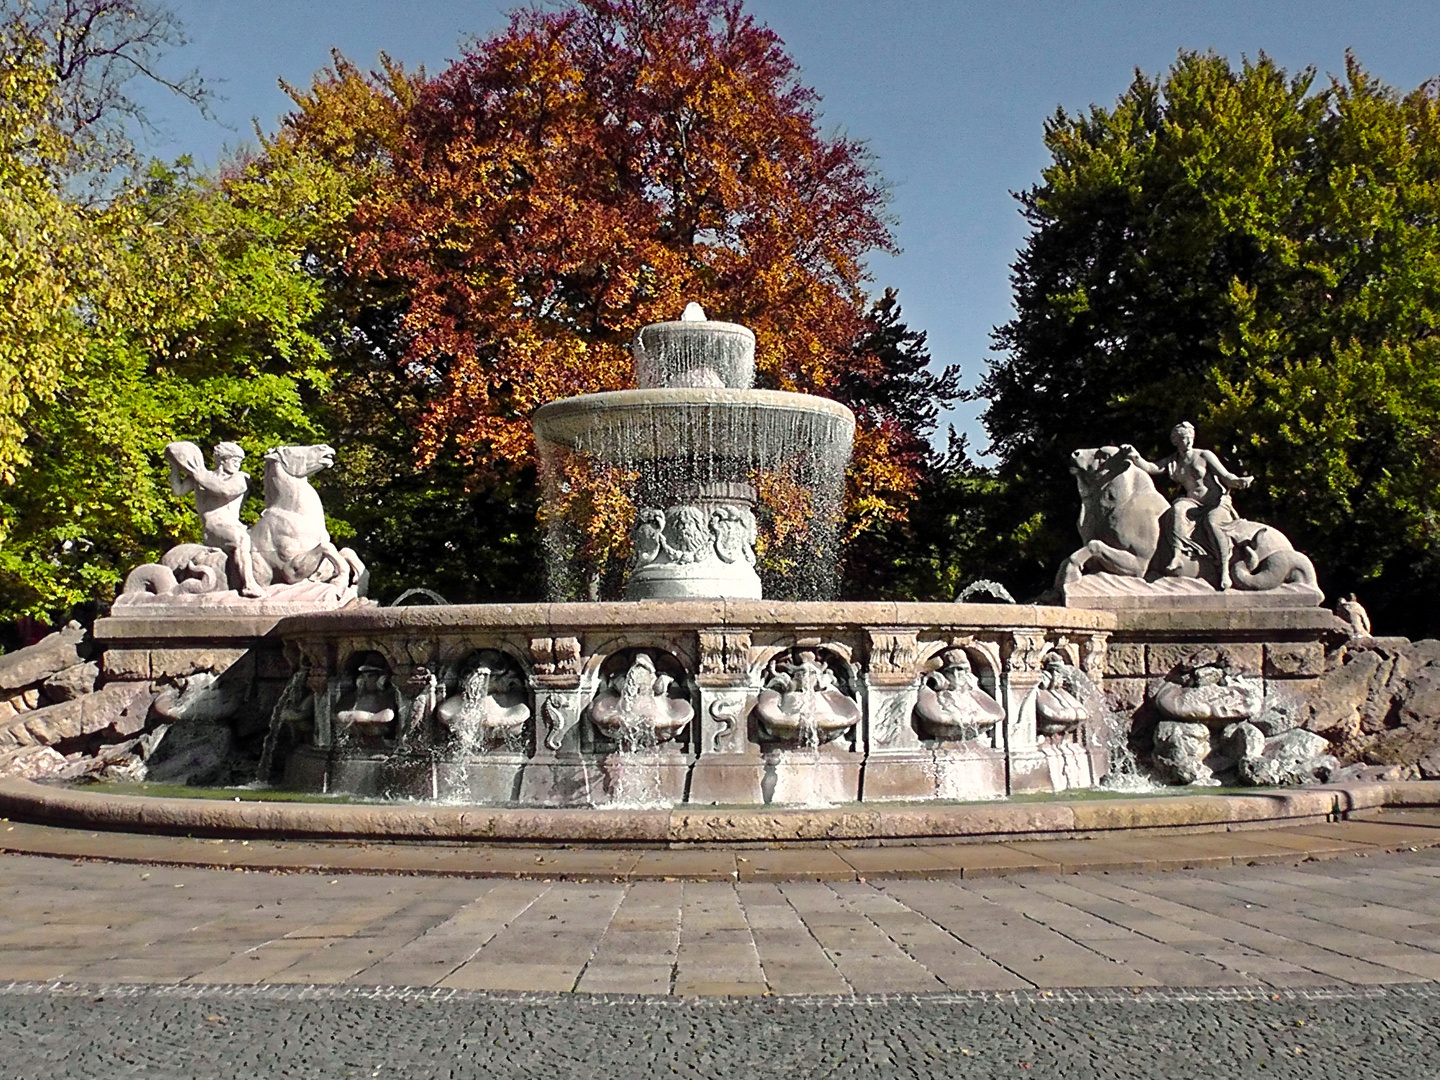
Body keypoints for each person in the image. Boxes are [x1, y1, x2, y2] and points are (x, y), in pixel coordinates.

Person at [1122, 422, 1254, 590]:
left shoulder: (1204, 455)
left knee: (1212, 523)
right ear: (1176, 441)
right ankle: (1177, 555)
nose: (1188, 441)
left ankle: (1224, 569)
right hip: (1193, 502)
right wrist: (1135, 456)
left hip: (1216, 502)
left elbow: (1225, 476)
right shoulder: (1174, 460)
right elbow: (1152, 467)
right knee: (1176, 510)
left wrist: (1238, 481)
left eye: (1190, 437)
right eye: (1184, 438)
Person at [167, 441, 265, 598]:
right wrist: (175, 466)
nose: (238, 465)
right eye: (234, 461)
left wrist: (199, 474)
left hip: (235, 526)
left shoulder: (239, 479)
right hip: (214, 528)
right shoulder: (200, 477)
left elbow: (224, 490)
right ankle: (249, 584)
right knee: (241, 539)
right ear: (222, 459)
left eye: (240, 461)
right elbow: (177, 491)